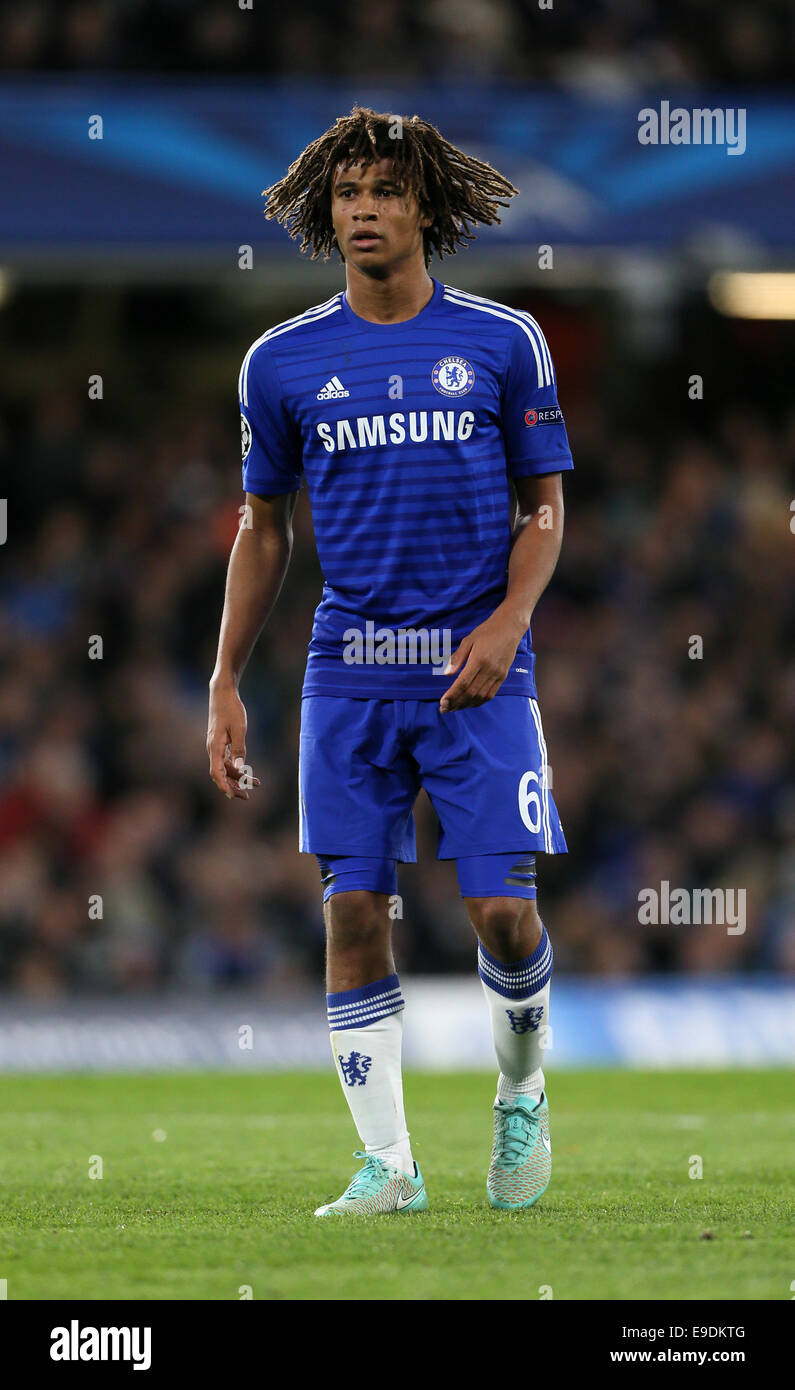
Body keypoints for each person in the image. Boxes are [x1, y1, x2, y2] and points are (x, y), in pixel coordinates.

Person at [207, 106, 573, 1215]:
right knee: (353, 906)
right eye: (346, 194)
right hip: (350, 670)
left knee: (503, 911)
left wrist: (509, 621)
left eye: (384, 193)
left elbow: (546, 507)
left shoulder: (503, 342)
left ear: (427, 209)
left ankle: (521, 1097)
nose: (362, 210)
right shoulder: (281, 361)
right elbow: (262, 527)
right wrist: (224, 677)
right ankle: (390, 1164)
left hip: (477, 669)